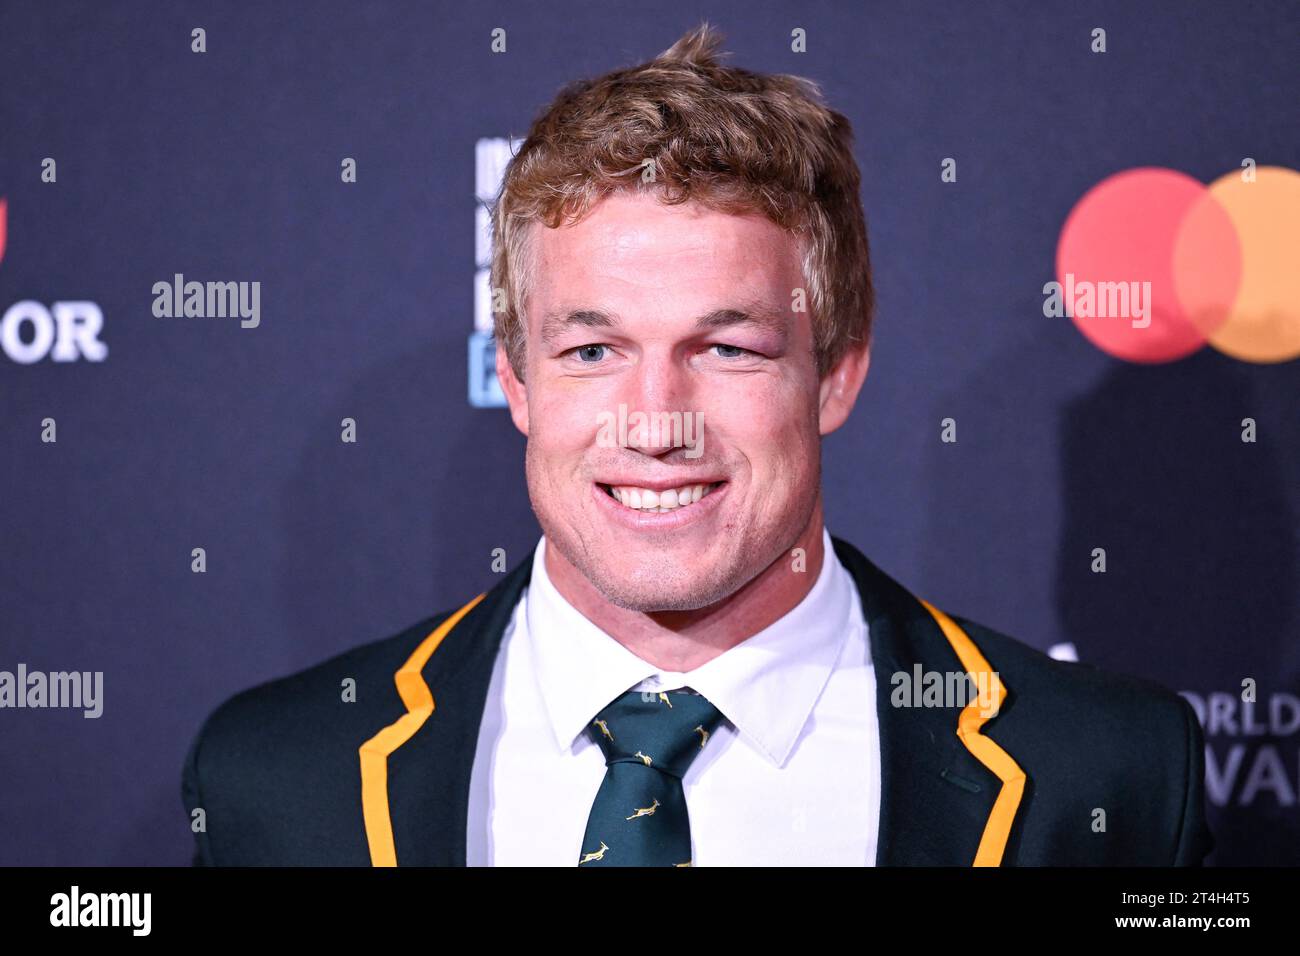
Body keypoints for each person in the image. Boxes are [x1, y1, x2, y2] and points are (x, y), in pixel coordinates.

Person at [181, 23, 1213, 867]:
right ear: (515, 377)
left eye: (725, 347)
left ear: (838, 370)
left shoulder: (1102, 773)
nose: (656, 418)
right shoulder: (280, 775)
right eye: (592, 348)